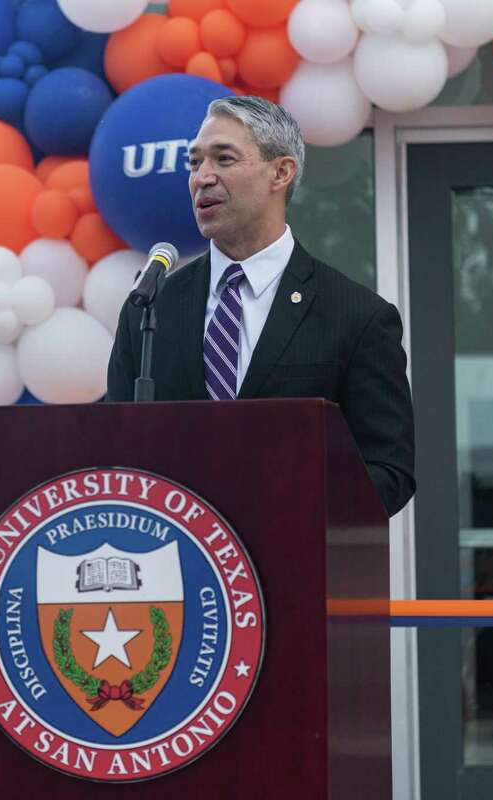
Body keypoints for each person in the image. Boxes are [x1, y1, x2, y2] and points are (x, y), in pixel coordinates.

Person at [106, 95, 415, 516]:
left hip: (297, 567)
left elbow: (389, 472)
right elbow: (111, 457)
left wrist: (282, 499)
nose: (203, 178)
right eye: (195, 163)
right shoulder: (151, 308)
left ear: (281, 172)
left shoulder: (357, 317)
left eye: (224, 159)